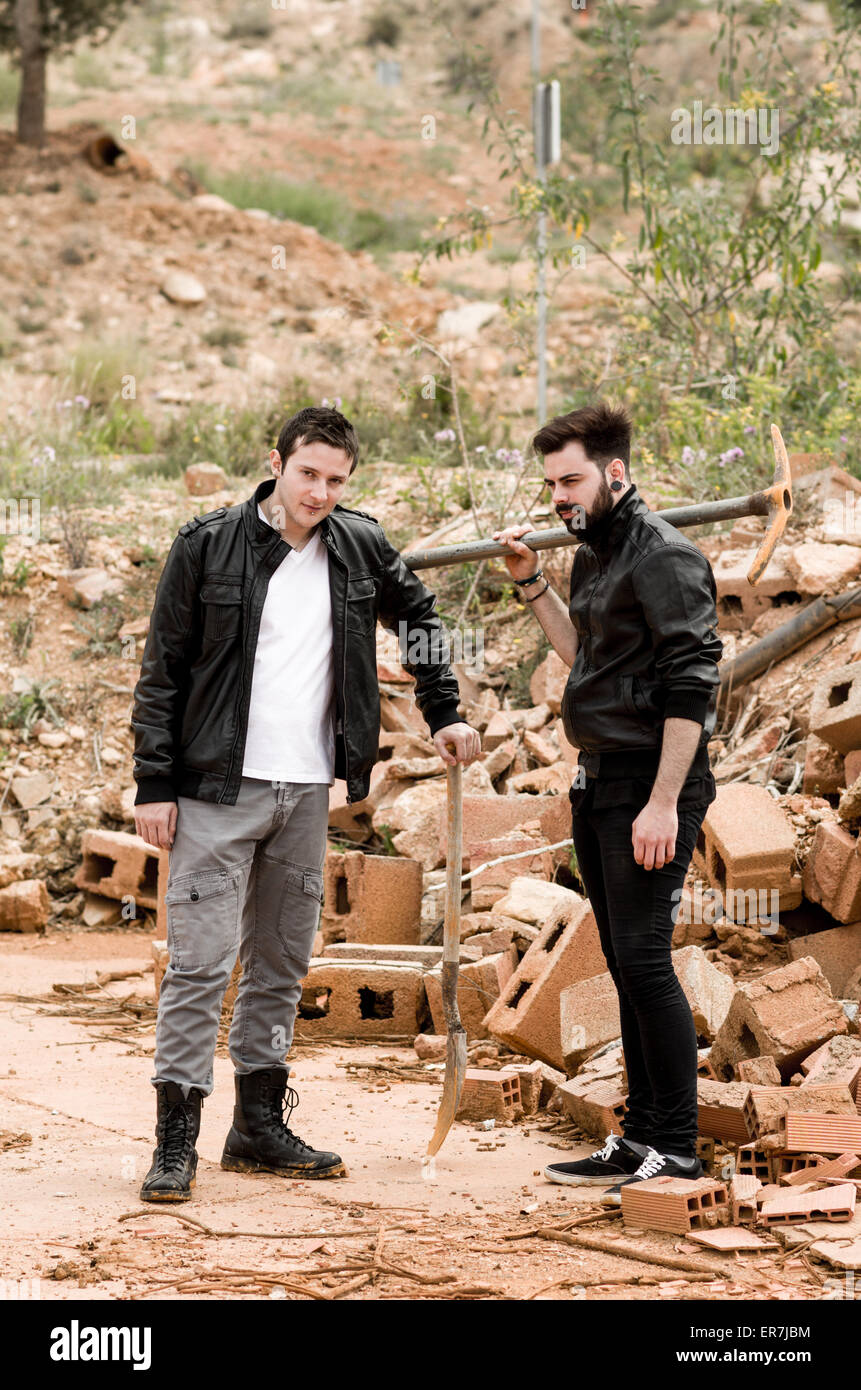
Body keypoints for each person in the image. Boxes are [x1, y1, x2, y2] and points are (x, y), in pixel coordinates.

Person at [132, 405, 481, 1202]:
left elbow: (420, 619)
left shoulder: (358, 544)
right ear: (275, 463)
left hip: (307, 790)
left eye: (335, 480)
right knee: (199, 967)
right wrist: (153, 782)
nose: (319, 492)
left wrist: (446, 710)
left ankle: (257, 1126)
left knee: (282, 963)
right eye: (307, 474)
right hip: (214, 789)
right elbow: (163, 670)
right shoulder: (207, 546)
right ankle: (174, 1143)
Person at [493, 402, 722, 1207]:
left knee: (647, 959)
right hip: (598, 779)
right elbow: (578, 655)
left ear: (613, 472)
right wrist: (531, 584)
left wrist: (663, 804)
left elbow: (693, 688)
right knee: (624, 960)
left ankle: (679, 1150)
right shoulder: (593, 554)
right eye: (550, 481)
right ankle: (640, 1139)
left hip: (649, 784)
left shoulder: (665, 557)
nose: (559, 494)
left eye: (572, 479)